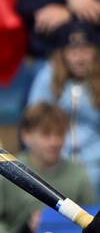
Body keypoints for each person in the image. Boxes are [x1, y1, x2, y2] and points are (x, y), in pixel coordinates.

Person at [0, 101, 97, 233]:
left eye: (59, 134)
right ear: (26, 136)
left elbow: (91, 223)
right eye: (46, 134)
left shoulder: (78, 175)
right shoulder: (9, 172)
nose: (54, 142)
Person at [26, 20, 100, 189]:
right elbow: (34, 122)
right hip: (55, 164)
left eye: (86, 49)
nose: (80, 58)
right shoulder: (47, 76)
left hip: (96, 167)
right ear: (62, 53)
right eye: (73, 50)